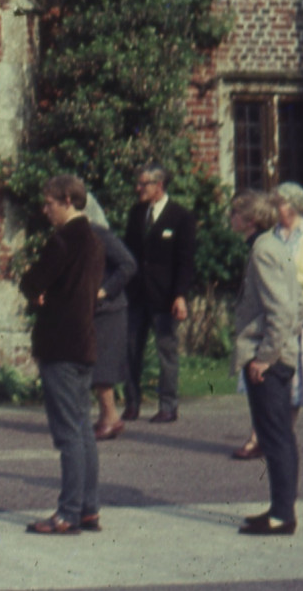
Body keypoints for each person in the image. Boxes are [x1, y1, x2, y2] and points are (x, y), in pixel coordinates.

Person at [19, 173, 105, 535]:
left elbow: (32, 281)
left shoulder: (62, 241)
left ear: (68, 201)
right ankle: (88, 508)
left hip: (59, 344)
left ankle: (69, 512)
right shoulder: (95, 241)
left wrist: (37, 292)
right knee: (83, 430)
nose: (45, 210)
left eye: (50, 203)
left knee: (68, 433)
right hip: (84, 342)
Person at [233, 181, 303, 459]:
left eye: (280, 203)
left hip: (301, 316)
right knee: (263, 382)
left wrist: (286, 276)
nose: (275, 208)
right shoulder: (270, 236)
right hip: (271, 314)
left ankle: (281, 436)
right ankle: (259, 436)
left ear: (295, 206)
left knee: (293, 382)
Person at [230, 189, 303, 535]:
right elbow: (298, 305)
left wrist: (265, 357)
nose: (231, 218)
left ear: (249, 220)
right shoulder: (276, 246)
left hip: (269, 359)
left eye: (235, 213)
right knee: (279, 434)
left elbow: (283, 309)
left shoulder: (262, 251)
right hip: (279, 353)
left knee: (275, 436)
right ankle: (280, 509)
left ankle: (282, 516)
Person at [123, 164, 198, 423]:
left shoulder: (180, 216)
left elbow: (185, 261)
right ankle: (131, 403)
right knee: (130, 348)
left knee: (166, 350)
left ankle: (168, 405)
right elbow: (128, 253)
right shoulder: (136, 213)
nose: (138, 188)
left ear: (159, 185)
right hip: (137, 294)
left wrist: (180, 295)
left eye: (143, 184)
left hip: (165, 297)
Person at [84, 195, 138, 441]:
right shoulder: (81, 236)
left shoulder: (99, 234)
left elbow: (128, 264)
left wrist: (105, 290)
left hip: (109, 309)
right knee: (97, 365)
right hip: (95, 309)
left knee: (102, 366)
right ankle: (107, 416)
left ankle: (111, 419)